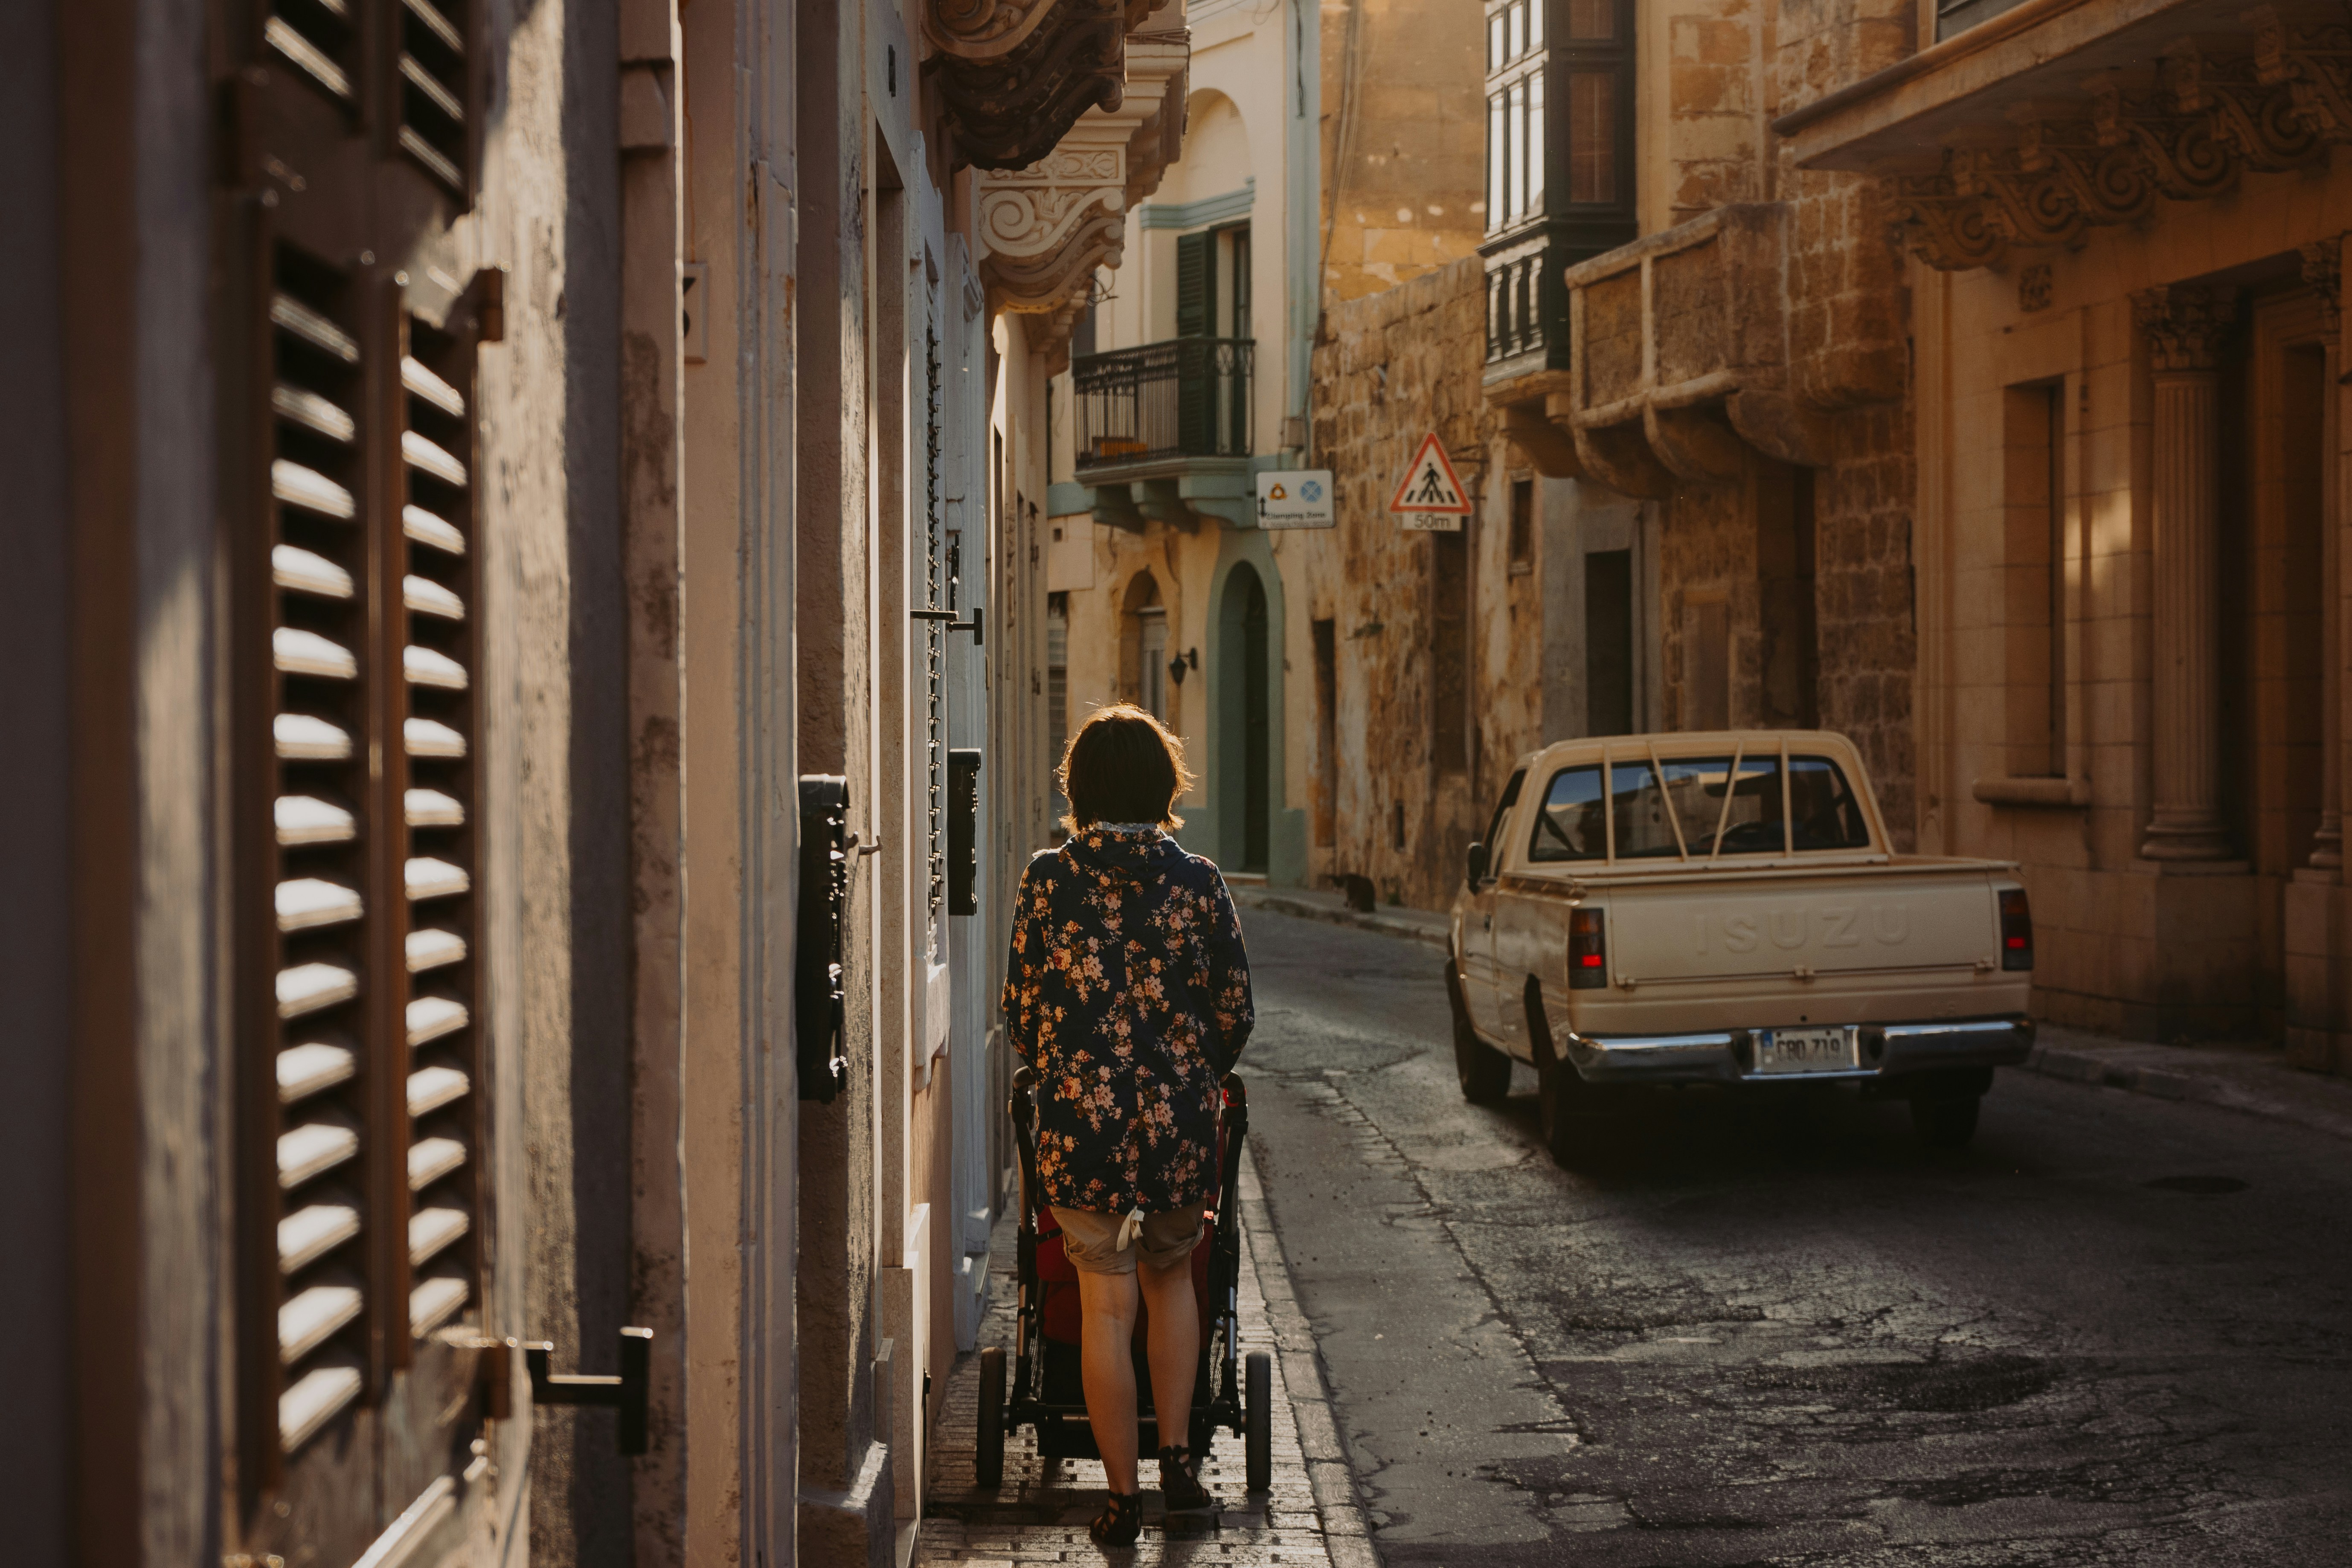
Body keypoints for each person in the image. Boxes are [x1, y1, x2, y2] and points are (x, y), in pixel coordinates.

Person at [1001, 704, 1255, 1548]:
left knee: (1105, 1303)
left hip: (1082, 1131)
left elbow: (1022, 1008)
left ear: (1080, 789)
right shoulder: (1201, 882)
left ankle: (1118, 1498)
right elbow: (1235, 1011)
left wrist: (1071, 1066)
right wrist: (1188, 1070)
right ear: (1162, 786)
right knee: (1172, 1279)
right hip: (1179, 1130)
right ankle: (1177, 1460)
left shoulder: (1047, 882)